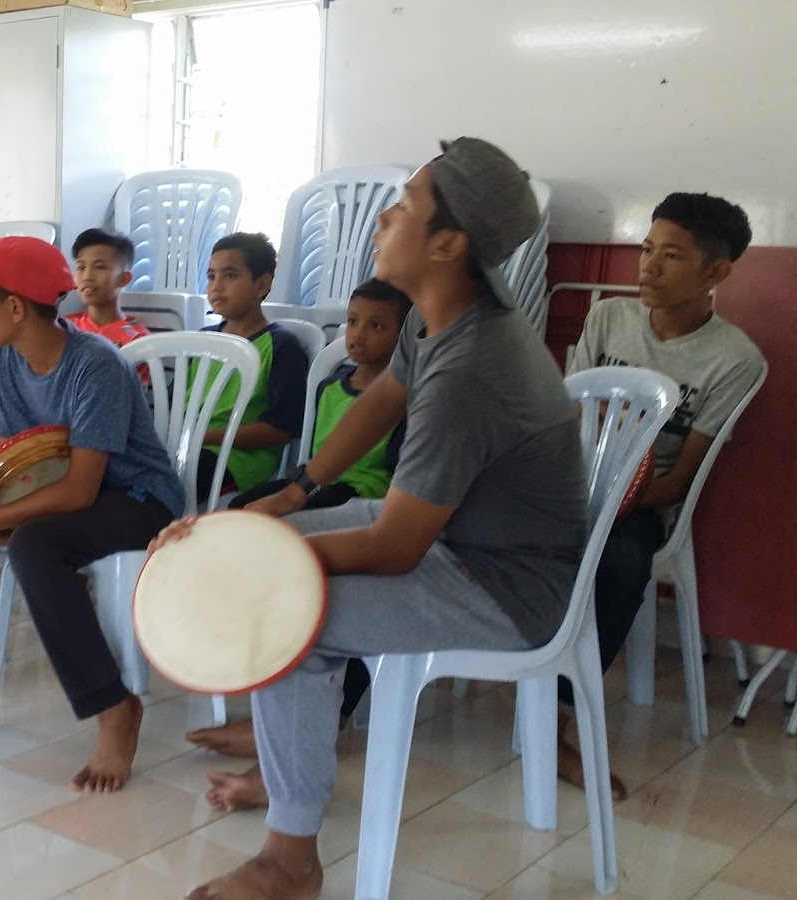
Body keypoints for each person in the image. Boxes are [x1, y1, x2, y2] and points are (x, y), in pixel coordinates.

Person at [163, 138, 586, 899]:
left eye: (404, 207)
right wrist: (290, 497)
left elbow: (393, 548)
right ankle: (285, 767)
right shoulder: (442, 318)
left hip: (503, 586)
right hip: (459, 546)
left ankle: (288, 859)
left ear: (448, 244)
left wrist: (253, 558)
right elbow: (382, 400)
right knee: (270, 543)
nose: (384, 217)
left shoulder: (473, 370)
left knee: (291, 614)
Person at [0, 236, 185, 793]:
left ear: (14, 308)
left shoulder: (93, 366)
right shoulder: (8, 355)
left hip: (138, 499)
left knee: (33, 546)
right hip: (60, 489)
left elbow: (82, 490)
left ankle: (115, 708)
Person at [556, 192, 765, 799]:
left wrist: (609, 505)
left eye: (671, 256)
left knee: (620, 562)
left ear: (716, 273)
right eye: (646, 249)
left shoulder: (734, 360)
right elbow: (567, 424)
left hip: (642, 505)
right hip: (572, 486)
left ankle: (559, 721)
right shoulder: (607, 321)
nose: (647, 266)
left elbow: (680, 479)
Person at [184, 279, 413, 796]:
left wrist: (303, 496)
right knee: (242, 513)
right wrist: (294, 491)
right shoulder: (334, 385)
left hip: (364, 497)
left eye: (378, 326)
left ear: (405, 337)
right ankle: (266, 690)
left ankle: (307, 718)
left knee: (299, 566)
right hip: (317, 485)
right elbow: (311, 461)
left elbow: (398, 477)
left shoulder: (407, 395)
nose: (358, 335)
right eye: (353, 321)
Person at [195, 233, 310, 502]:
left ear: (262, 285)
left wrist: (205, 436)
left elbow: (281, 429)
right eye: (211, 276)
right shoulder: (200, 340)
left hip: (239, 459)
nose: (216, 286)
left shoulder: (282, 346)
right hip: (190, 446)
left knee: (166, 480)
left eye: (230, 275)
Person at [64, 228, 149, 349]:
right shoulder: (63, 328)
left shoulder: (137, 339)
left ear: (124, 278)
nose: (87, 277)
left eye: (99, 267)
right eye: (81, 267)